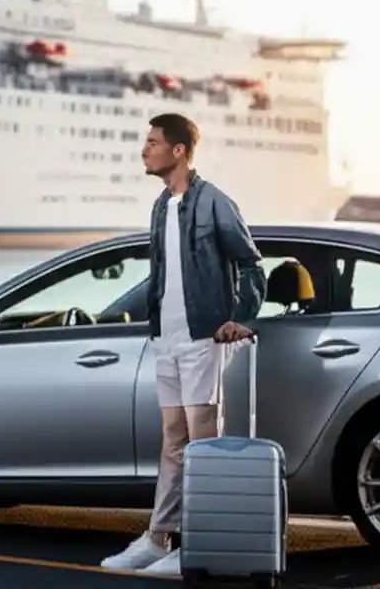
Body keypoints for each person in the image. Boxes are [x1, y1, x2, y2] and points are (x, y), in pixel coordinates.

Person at [100, 112, 266, 575]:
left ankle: (199, 545)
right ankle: (157, 539)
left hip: (201, 339)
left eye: (152, 142)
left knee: (202, 444)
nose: (144, 149)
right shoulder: (160, 206)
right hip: (167, 339)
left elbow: (252, 264)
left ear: (178, 150)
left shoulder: (214, 201)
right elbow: (163, 275)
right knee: (174, 441)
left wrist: (240, 318)